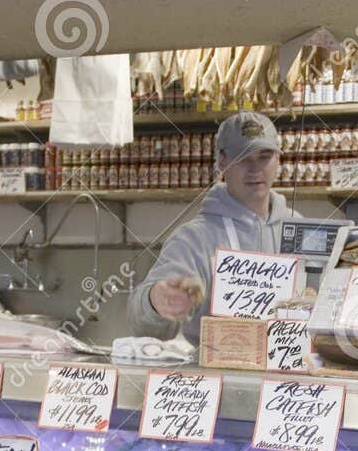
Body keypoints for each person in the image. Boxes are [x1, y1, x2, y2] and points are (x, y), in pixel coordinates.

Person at [128, 111, 298, 343]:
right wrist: (154, 301)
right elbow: (144, 326)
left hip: (288, 373)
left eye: (264, 156)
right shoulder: (193, 239)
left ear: (279, 160)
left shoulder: (299, 227)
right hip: (218, 376)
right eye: (243, 158)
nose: (255, 169)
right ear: (222, 162)